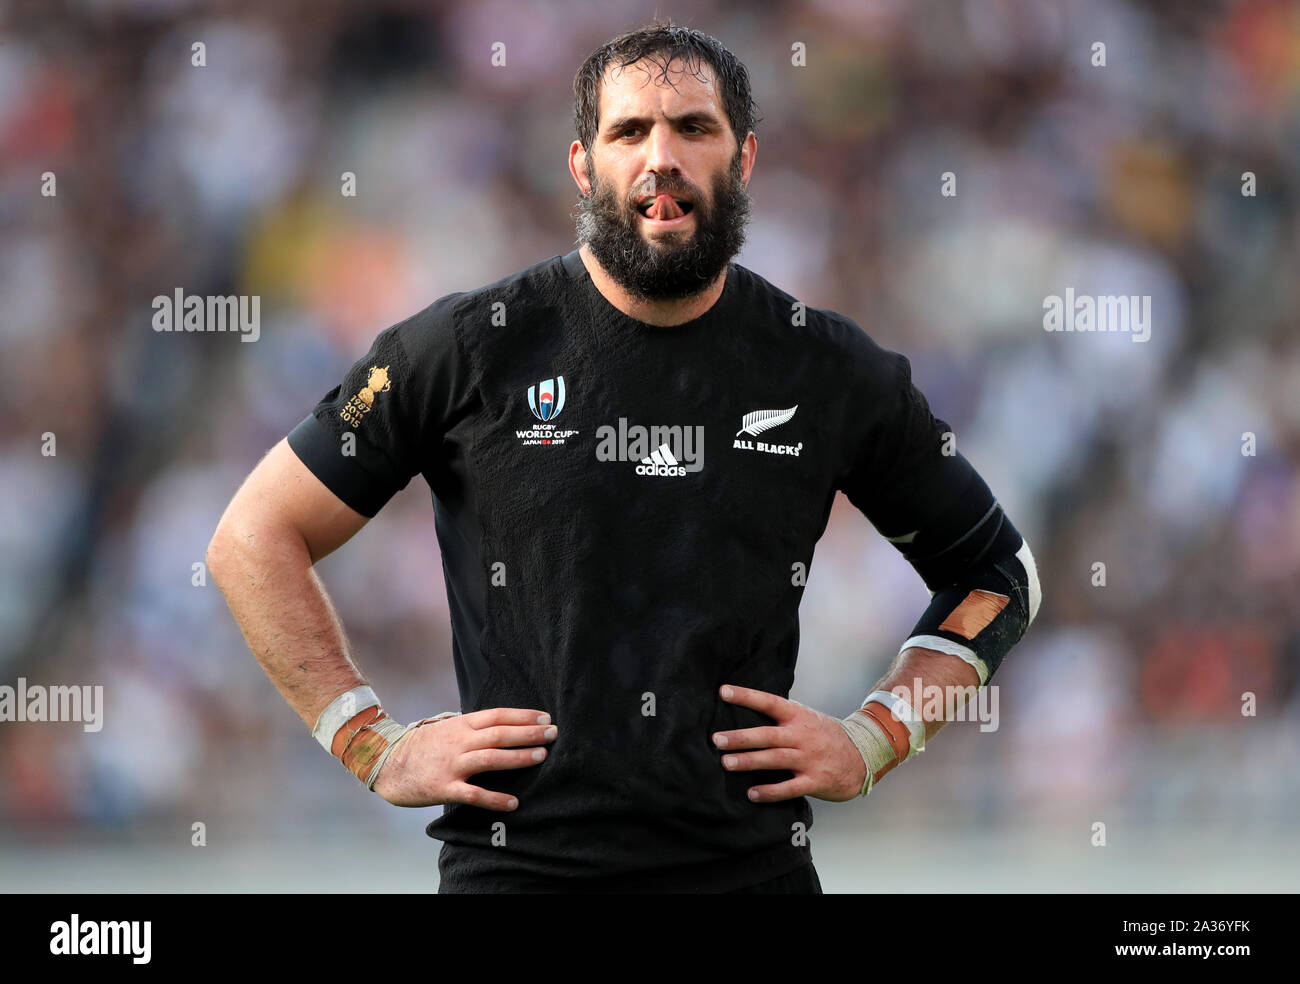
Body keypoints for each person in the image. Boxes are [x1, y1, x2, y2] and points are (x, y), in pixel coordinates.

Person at [207, 21, 1041, 894]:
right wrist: (368, 742)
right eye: (630, 131)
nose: (661, 157)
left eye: (693, 128)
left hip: (747, 876)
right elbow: (253, 538)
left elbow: (998, 573)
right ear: (582, 165)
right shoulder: (466, 348)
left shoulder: (825, 368)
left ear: (744, 158)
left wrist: (876, 735)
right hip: (516, 877)